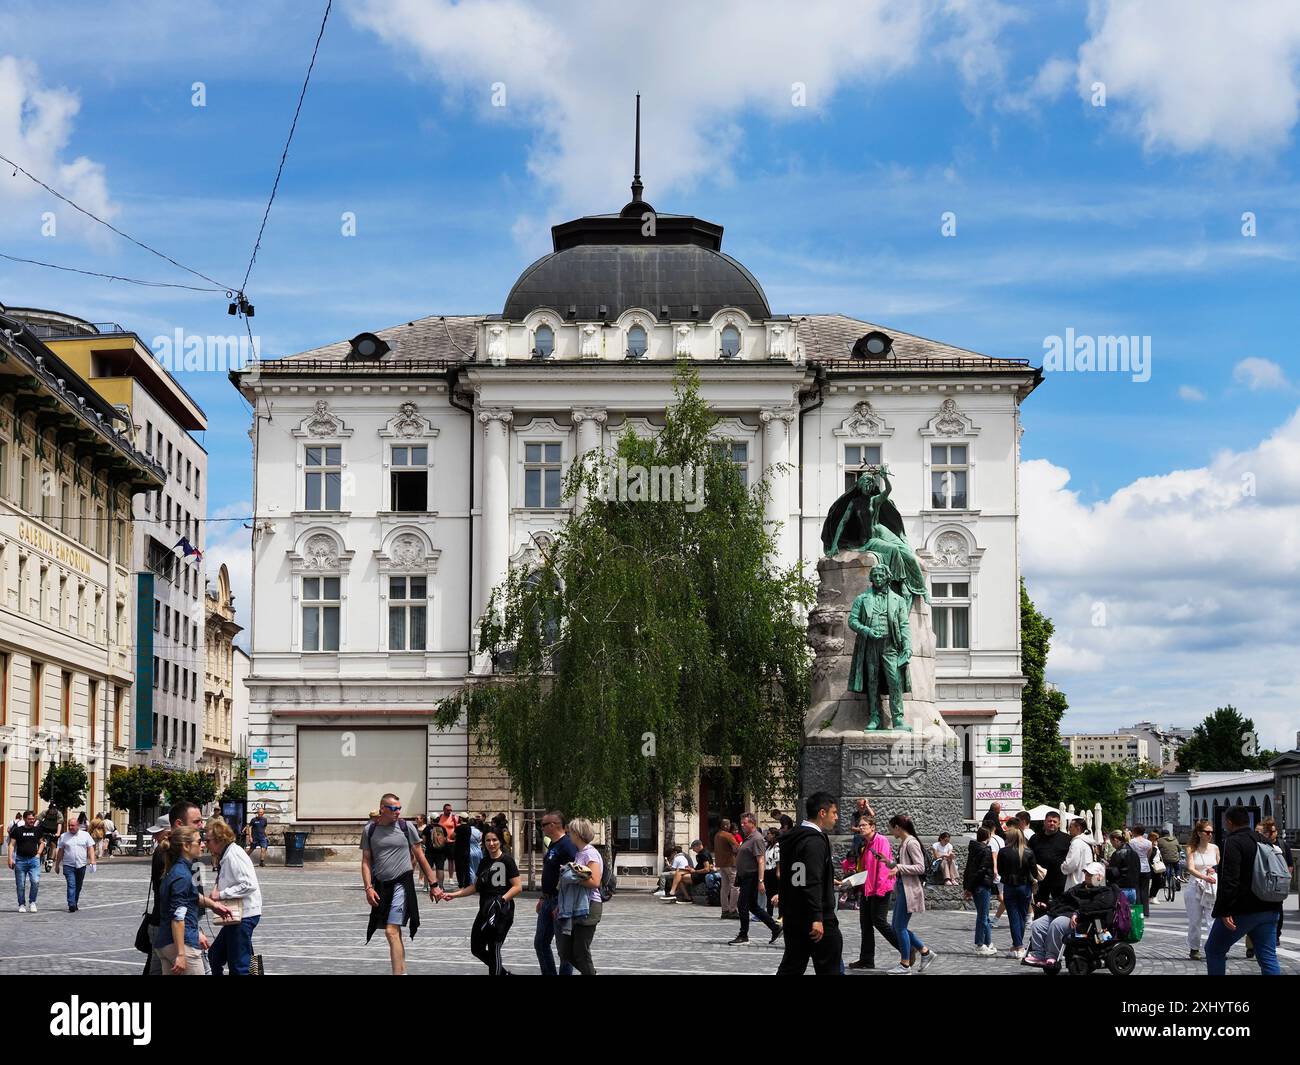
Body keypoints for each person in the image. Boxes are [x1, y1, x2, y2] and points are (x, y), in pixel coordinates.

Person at [361, 792, 438, 975]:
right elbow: (365, 861)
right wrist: (368, 887)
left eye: (399, 808)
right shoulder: (370, 830)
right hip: (381, 886)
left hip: (402, 885)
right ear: (382, 809)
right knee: (394, 932)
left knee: (390, 931)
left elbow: (420, 855)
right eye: (393, 808)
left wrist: (434, 884)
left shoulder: (406, 827)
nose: (397, 812)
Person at [1203, 805, 1283, 976]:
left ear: (1229, 822)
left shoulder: (1233, 841)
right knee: (1268, 957)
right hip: (1270, 907)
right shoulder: (1264, 840)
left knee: (1214, 950)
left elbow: (1230, 879)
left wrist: (1224, 910)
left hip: (1243, 910)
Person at [434, 826, 521, 975]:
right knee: (476, 948)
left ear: (500, 841)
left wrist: (502, 899)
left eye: (494, 840)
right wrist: (454, 895)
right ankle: (504, 973)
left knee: (494, 947)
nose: (491, 843)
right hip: (485, 910)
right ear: (483, 842)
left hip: (501, 911)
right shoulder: (484, 861)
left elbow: (517, 887)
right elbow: (475, 887)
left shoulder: (507, 860)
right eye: (488, 840)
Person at [774, 792, 843, 975]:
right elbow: (811, 881)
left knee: (791, 968)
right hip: (815, 919)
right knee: (829, 967)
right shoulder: (814, 841)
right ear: (822, 813)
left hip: (794, 915)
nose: (836, 817)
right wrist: (817, 918)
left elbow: (797, 875)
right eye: (834, 812)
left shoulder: (795, 836)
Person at [153, 826, 231, 975]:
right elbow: (178, 917)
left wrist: (213, 905)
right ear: (186, 846)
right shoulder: (182, 875)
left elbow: (192, 896)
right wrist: (181, 954)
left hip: (166, 942)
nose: (203, 845)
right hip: (182, 944)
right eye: (199, 841)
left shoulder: (177, 870)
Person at [1023, 862, 1114, 970]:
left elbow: (1096, 907)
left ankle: (1051, 956)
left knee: (1057, 924)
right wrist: (1047, 905)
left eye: (1090, 874)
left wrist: (1078, 913)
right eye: (1086, 874)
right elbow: (1062, 899)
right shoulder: (1078, 888)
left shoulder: (1105, 892)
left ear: (1099, 877)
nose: (1087, 876)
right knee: (1037, 924)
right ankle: (1039, 954)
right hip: (1063, 913)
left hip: (1082, 920)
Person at [206, 817, 263, 975]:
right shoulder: (227, 854)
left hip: (244, 915)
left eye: (208, 840)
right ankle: (256, 973)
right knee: (215, 955)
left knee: (239, 965)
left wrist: (221, 894)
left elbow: (248, 884)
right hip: (237, 915)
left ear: (219, 839)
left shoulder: (233, 854)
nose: (205, 844)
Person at [845, 815, 900, 970]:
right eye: (859, 825)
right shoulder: (866, 844)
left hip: (879, 889)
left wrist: (880, 890)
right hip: (867, 890)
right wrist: (851, 882)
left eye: (864, 825)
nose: (861, 828)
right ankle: (866, 959)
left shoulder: (880, 841)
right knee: (866, 924)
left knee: (879, 921)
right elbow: (866, 870)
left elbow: (883, 868)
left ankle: (906, 949)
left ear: (872, 827)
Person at [885, 814, 936, 974]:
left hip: (910, 890)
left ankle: (905, 964)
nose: (890, 831)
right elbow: (906, 865)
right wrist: (890, 863)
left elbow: (920, 867)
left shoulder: (911, 843)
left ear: (898, 827)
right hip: (904, 888)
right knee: (897, 926)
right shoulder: (905, 842)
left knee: (899, 927)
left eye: (891, 828)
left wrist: (899, 867)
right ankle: (925, 952)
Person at [556, 817, 603, 976]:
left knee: (581, 952)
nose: (568, 833)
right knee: (566, 951)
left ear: (578, 833)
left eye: (571, 831)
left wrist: (571, 878)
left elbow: (595, 881)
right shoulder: (580, 853)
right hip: (576, 905)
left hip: (589, 906)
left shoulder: (591, 854)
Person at [535, 809, 577, 975]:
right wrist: (542, 896)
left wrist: (562, 902)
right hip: (547, 900)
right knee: (540, 943)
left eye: (543, 824)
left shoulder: (567, 845)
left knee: (564, 947)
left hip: (560, 901)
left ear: (553, 825)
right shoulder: (553, 844)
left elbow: (573, 875)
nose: (541, 828)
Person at [731, 812, 782, 945]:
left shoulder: (757, 838)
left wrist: (761, 881)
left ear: (752, 823)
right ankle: (775, 927)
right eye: (741, 823)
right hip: (746, 877)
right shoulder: (749, 838)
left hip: (752, 877)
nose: (742, 825)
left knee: (742, 905)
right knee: (753, 906)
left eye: (745, 823)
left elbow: (761, 861)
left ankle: (743, 935)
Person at [998, 824, 1037, 959]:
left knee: (1014, 917)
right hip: (1025, 886)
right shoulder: (1028, 852)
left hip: (1009, 886)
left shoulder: (1003, 852)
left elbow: (1001, 870)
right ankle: (1018, 945)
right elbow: (1034, 872)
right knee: (1021, 916)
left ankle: (1018, 945)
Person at [1184, 818, 1218, 960]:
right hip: (1195, 886)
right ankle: (1194, 948)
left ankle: (1214, 948)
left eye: (1211, 832)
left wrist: (1214, 870)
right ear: (1199, 833)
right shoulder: (1191, 848)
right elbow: (1190, 868)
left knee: (1213, 920)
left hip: (1211, 887)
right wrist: (1204, 877)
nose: (1210, 834)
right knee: (1195, 920)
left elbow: (1220, 865)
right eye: (1207, 832)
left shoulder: (1215, 848)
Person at [1258, 818, 1292, 951]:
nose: (1271, 834)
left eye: (1273, 831)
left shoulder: (1283, 846)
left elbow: (1290, 865)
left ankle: (1276, 935)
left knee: (1279, 910)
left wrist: (1285, 878)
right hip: (1265, 883)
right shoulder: (1260, 845)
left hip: (1279, 883)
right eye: (1268, 832)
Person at [963, 827, 997, 957]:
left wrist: (967, 887)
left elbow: (968, 869)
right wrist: (969, 888)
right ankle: (980, 944)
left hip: (975, 886)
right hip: (982, 885)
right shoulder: (985, 850)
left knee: (984, 916)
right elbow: (981, 871)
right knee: (983, 917)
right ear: (987, 837)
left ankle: (987, 943)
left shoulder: (974, 849)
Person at [8, 810, 46, 912]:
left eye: (33, 819)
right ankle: (21, 904)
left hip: (34, 860)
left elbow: (42, 843)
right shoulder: (17, 830)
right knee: (20, 884)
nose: (32, 821)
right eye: (29, 819)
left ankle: (32, 902)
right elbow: (11, 844)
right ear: (24, 819)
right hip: (20, 860)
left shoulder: (37, 830)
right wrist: (10, 858)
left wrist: (38, 854)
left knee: (35, 881)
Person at [54, 818, 95, 912]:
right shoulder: (64, 836)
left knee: (78, 885)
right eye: (69, 825)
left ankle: (75, 901)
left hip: (81, 865)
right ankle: (71, 904)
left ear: (78, 826)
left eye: (73, 825)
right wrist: (57, 865)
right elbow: (60, 851)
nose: (70, 827)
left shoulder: (85, 835)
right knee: (71, 884)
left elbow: (90, 848)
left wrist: (92, 860)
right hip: (68, 865)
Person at [1031, 811, 1070, 910]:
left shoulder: (1066, 839)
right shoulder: (1035, 838)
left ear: (1059, 823)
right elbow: (1029, 856)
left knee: (1060, 907)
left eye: (1054, 821)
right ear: (1044, 822)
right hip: (1041, 879)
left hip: (1059, 879)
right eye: (1049, 821)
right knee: (1039, 906)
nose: (1052, 823)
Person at [713, 818, 740, 919]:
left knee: (724, 888)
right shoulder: (728, 835)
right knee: (735, 887)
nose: (730, 826)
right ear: (725, 826)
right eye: (728, 824)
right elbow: (736, 848)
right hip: (730, 863)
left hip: (721, 864)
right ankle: (733, 910)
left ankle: (724, 910)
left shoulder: (717, 835)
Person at [1106, 829, 1139, 906]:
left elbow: (1113, 873)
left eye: (1112, 843)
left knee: (1119, 915)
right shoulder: (1134, 853)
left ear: (1115, 840)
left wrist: (1107, 869)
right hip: (1133, 888)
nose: (1112, 845)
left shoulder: (1117, 854)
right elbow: (1137, 869)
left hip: (1120, 888)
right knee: (1130, 914)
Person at [1128, 822, 1153, 916]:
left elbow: (1130, 854)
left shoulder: (1132, 842)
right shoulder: (1149, 843)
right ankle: (1146, 911)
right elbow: (1148, 855)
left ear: (1135, 831)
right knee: (1145, 890)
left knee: (1136, 889)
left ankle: (1139, 910)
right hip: (1146, 866)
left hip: (1135, 867)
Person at [1062, 817, 1093, 891]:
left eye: (1070, 827)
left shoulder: (1076, 843)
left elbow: (1070, 865)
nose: (1068, 829)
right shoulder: (1086, 842)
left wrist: (1062, 866)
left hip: (1076, 883)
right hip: (1083, 881)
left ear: (1078, 828)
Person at [437, 804, 459, 883]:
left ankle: (450, 878)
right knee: (440, 860)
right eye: (448, 810)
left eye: (450, 810)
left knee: (451, 860)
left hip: (451, 842)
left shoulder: (454, 818)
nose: (449, 811)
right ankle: (440, 877)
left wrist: (454, 837)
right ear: (444, 809)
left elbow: (457, 828)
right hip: (441, 842)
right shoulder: (439, 817)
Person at [763, 829, 781, 918]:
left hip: (773, 871)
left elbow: (778, 859)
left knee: (775, 893)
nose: (767, 835)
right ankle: (769, 914)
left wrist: (778, 871)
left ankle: (780, 915)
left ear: (774, 835)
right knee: (769, 893)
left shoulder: (777, 846)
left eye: (769, 834)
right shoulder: (769, 846)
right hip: (767, 871)